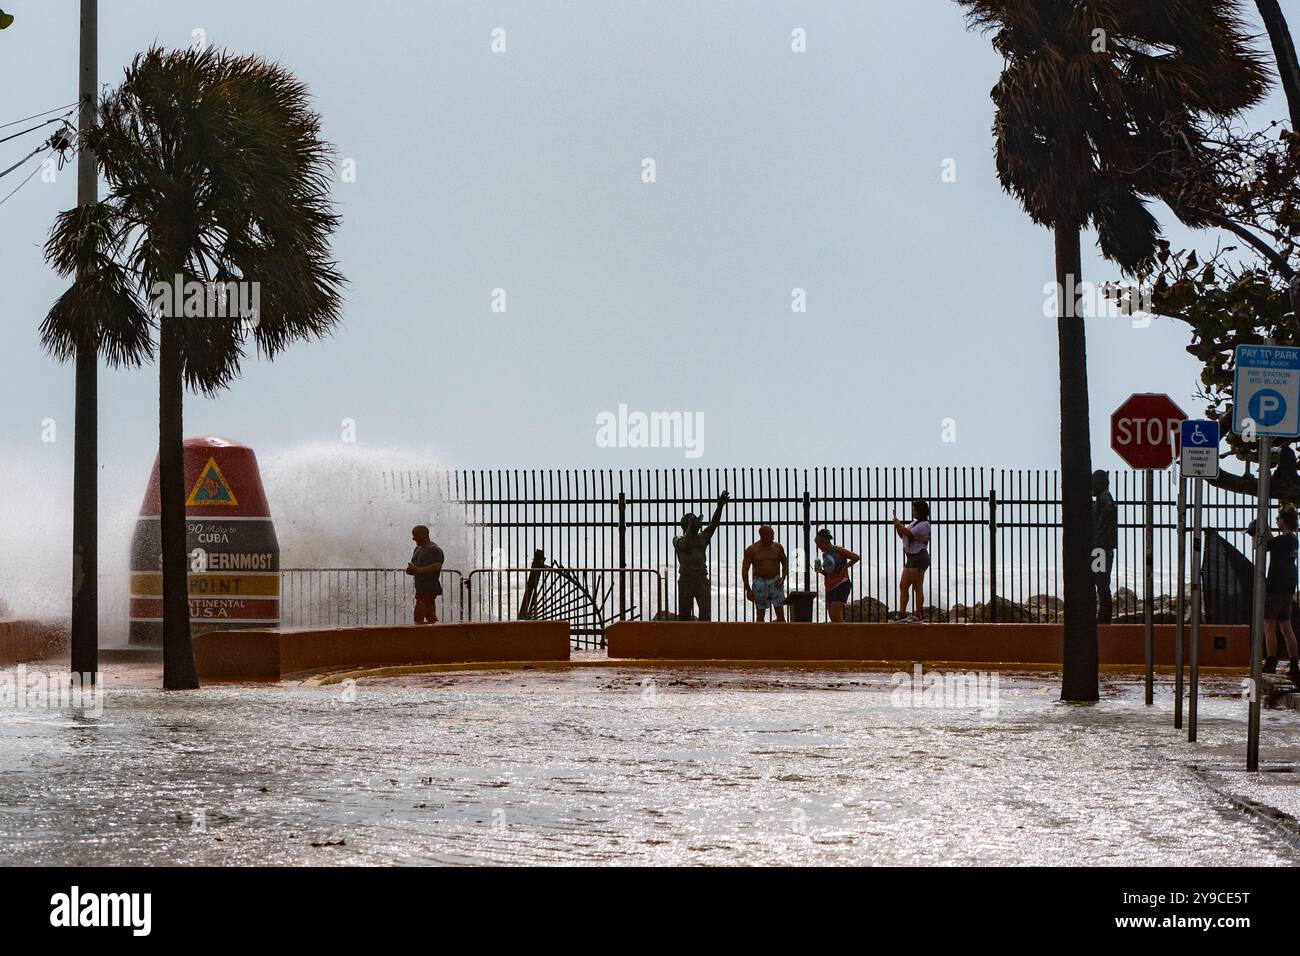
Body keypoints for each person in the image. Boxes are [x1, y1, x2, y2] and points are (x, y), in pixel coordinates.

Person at [1256, 506, 1300, 683]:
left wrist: (1258, 531)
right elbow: (1273, 544)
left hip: (1275, 587)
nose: (1276, 520)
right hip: (1289, 587)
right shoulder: (1293, 540)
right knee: (1286, 626)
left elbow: (1261, 546)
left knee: (1269, 625)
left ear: (1284, 520)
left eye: (1278, 518)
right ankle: (1294, 663)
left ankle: (1271, 661)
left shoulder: (1282, 541)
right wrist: (1266, 531)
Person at [673, 491, 729, 620]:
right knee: (684, 613)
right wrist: (690, 528)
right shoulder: (677, 539)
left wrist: (719, 507)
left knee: (705, 612)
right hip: (686, 579)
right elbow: (685, 544)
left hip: (701, 579)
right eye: (691, 521)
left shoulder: (703, 537)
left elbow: (714, 524)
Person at [891, 499, 931, 623]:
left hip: (919, 556)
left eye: (914, 510)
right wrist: (897, 526)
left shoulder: (924, 524)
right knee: (903, 585)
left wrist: (898, 524)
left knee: (917, 587)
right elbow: (902, 534)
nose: (913, 512)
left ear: (921, 511)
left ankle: (919, 615)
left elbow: (908, 533)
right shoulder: (914, 523)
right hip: (911, 557)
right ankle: (902, 614)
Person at [742, 524, 789, 622]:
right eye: (771, 535)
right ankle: (760, 635)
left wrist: (783, 578)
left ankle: (782, 635)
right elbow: (745, 570)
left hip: (776, 581)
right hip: (760, 582)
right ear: (763, 535)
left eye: (773, 535)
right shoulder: (752, 549)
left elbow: (785, 563)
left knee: (780, 612)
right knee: (760, 614)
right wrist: (748, 589)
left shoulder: (777, 547)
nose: (773, 537)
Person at [813, 528, 859, 623]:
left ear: (824, 542)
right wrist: (820, 570)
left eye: (818, 544)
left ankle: (847, 634)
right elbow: (829, 572)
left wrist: (845, 567)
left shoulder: (838, 550)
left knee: (836, 615)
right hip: (830, 586)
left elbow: (856, 557)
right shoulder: (825, 554)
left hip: (841, 584)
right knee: (832, 616)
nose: (818, 547)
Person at [1091, 470, 1118, 624]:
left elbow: (1106, 516)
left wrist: (1098, 538)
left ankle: (1103, 618)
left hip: (1100, 550)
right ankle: (1102, 617)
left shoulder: (1105, 497)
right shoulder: (1102, 498)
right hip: (1101, 548)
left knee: (1101, 582)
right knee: (1100, 582)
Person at [406, 525, 445, 624]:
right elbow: (415, 566)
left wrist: (417, 570)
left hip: (429, 588)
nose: (413, 538)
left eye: (415, 535)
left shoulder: (433, 549)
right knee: (430, 616)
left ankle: (419, 637)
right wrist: (411, 570)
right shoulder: (418, 549)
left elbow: (437, 567)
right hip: (421, 588)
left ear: (423, 535)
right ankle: (436, 636)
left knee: (418, 617)